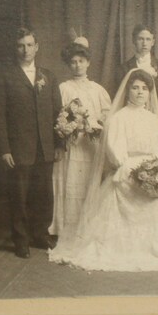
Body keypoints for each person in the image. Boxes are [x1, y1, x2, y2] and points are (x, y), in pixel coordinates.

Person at [48, 69, 158, 272]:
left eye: (144, 88)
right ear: (127, 91)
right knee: (131, 188)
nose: (140, 92)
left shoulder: (152, 118)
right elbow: (115, 151)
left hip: (153, 166)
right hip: (128, 167)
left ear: (150, 93)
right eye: (135, 88)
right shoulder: (118, 118)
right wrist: (136, 171)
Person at [0, 27, 62, 258]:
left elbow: (58, 112)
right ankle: (20, 240)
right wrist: (4, 149)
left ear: (37, 47)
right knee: (19, 195)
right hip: (19, 148)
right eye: (21, 45)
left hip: (46, 147)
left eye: (30, 45)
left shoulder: (48, 76)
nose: (25, 50)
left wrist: (59, 144)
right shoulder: (4, 76)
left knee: (44, 194)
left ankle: (40, 234)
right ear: (15, 48)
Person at [50, 37, 112, 237]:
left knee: (88, 182)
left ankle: (89, 227)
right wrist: (68, 128)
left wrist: (94, 125)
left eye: (81, 61)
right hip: (71, 145)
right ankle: (67, 227)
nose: (78, 65)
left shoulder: (98, 90)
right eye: (73, 62)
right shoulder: (62, 88)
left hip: (90, 146)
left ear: (88, 63)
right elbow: (57, 115)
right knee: (69, 181)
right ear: (69, 64)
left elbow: (107, 116)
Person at [114, 23, 158, 152]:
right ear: (134, 40)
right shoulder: (124, 68)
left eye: (148, 39)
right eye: (140, 39)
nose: (144, 43)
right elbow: (119, 99)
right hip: (132, 124)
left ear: (153, 42)